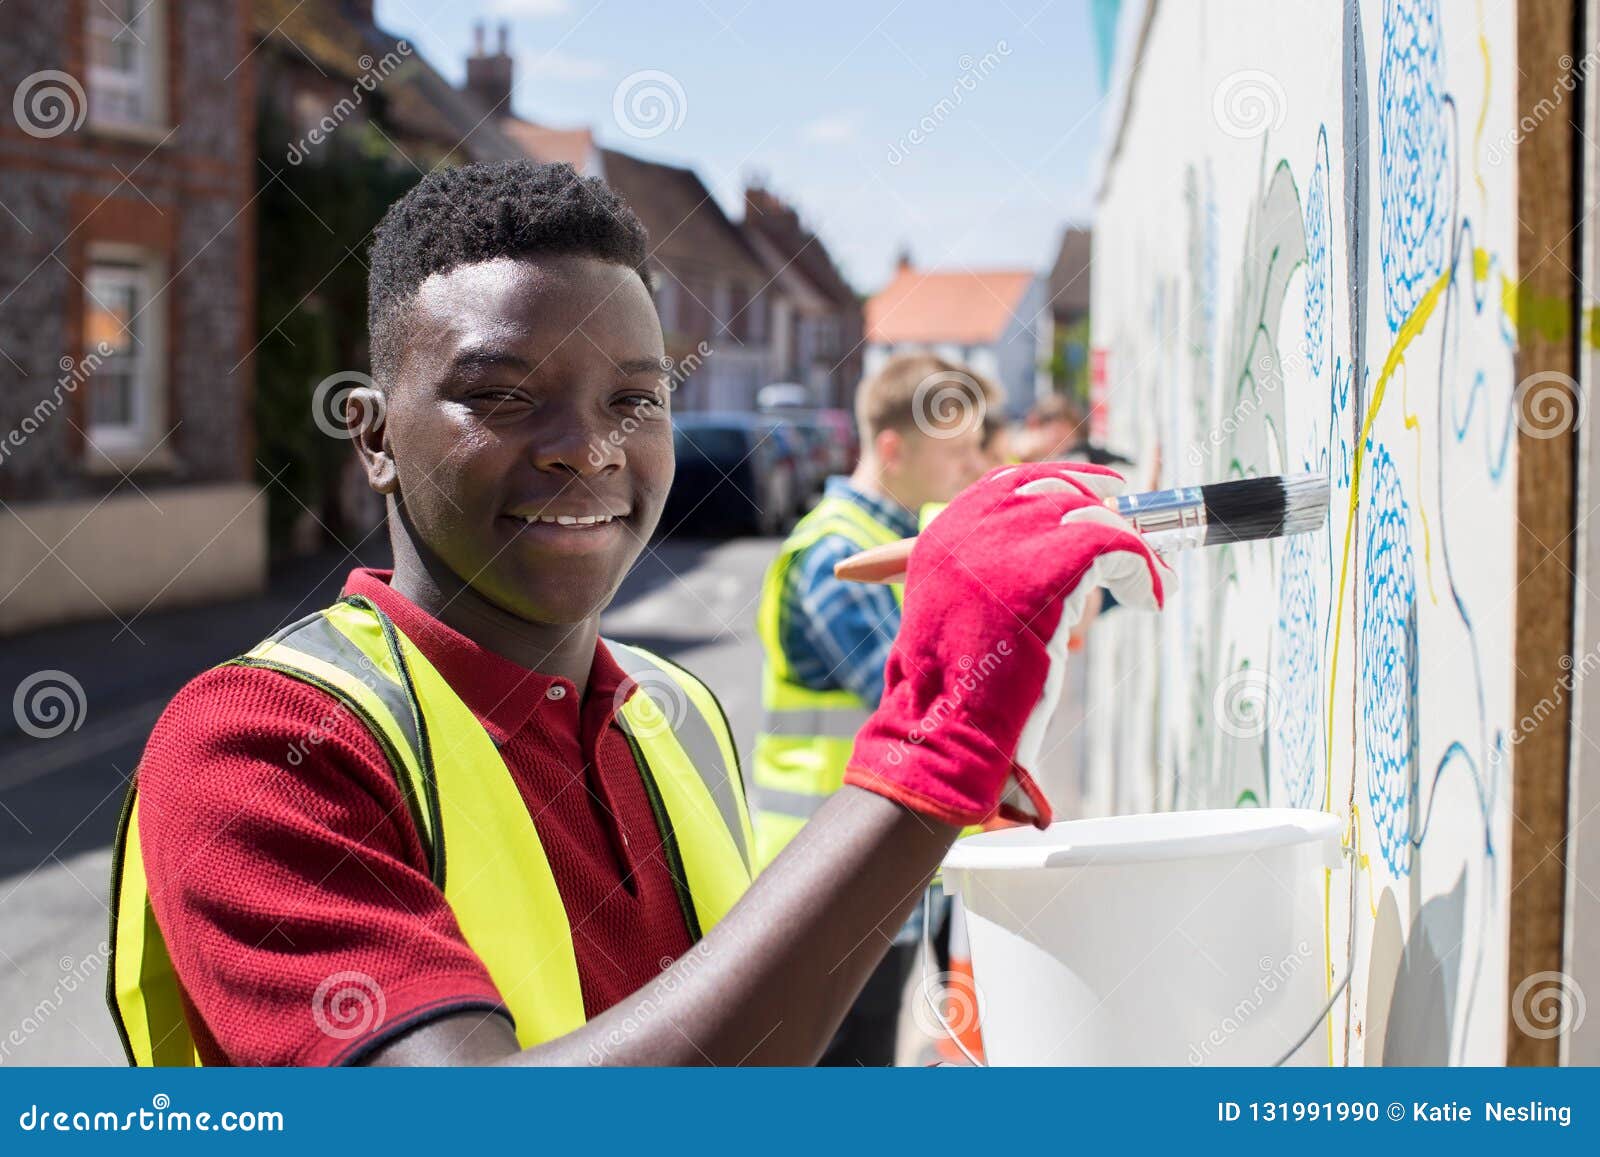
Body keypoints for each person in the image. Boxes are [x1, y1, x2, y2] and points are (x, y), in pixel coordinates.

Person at [107, 160, 1171, 1067]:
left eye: (635, 398)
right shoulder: (259, 747)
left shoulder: (671, 709)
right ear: (375, 437)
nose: (590, 446)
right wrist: (931, 750)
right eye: (504, 393)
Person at [750, 353, 993, 1064]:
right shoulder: (839, 554)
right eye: (958, 450)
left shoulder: (899, 544)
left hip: (872, 878)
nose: (973, 464)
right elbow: (933, 707)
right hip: (828, 883)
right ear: (893, 447)